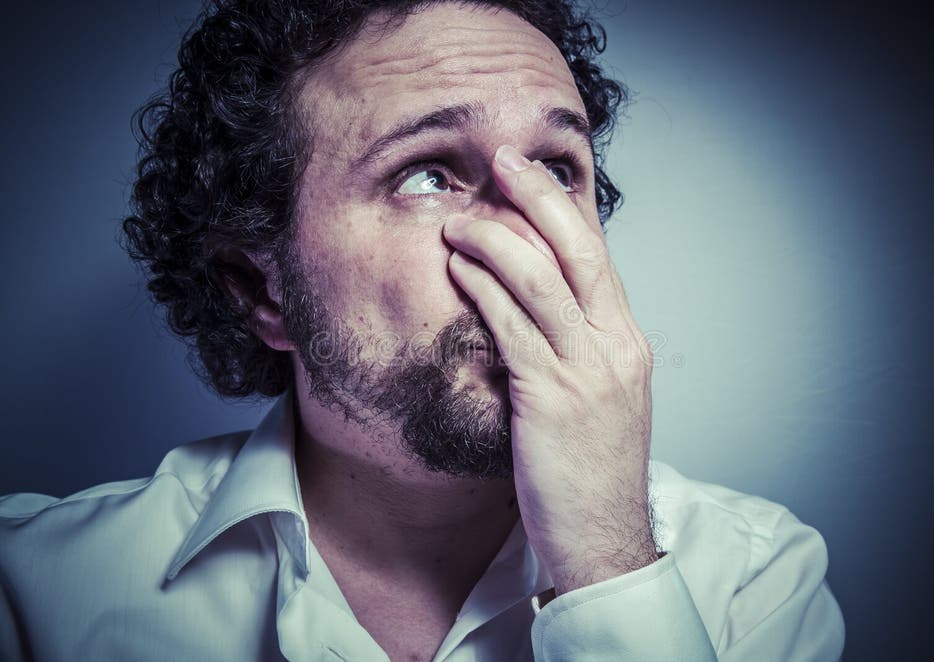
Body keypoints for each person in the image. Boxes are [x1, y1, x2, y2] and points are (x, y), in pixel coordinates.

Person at [0, 0, 844, 660]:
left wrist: (608, 567)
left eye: (557, 171)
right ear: (262, 286)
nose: (529, 237)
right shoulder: (37, 594)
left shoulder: (749, 582)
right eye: (428, 174)